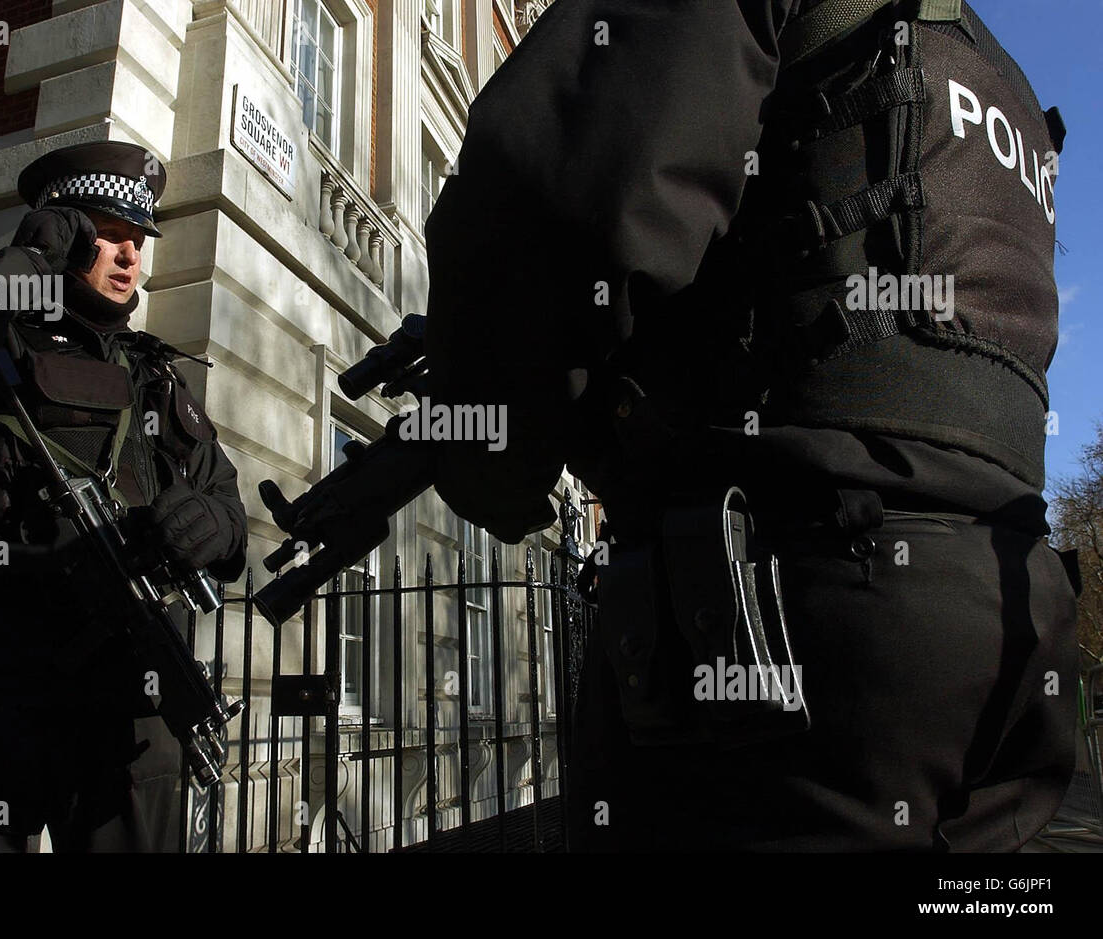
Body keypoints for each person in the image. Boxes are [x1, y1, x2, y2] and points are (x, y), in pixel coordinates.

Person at [421, 0, 1081, 850]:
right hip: (1010, 625)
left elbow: (560, 194)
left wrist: (490, 451)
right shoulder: (997, 78)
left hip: (786, 636)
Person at [0, 141, 249, 852]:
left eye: (138, 240)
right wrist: (29, 261)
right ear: (64, 232)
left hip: (123, 700)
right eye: (107, 236)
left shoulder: (158, 377)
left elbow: (228, 506)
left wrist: (209, 525)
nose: (129, 256)